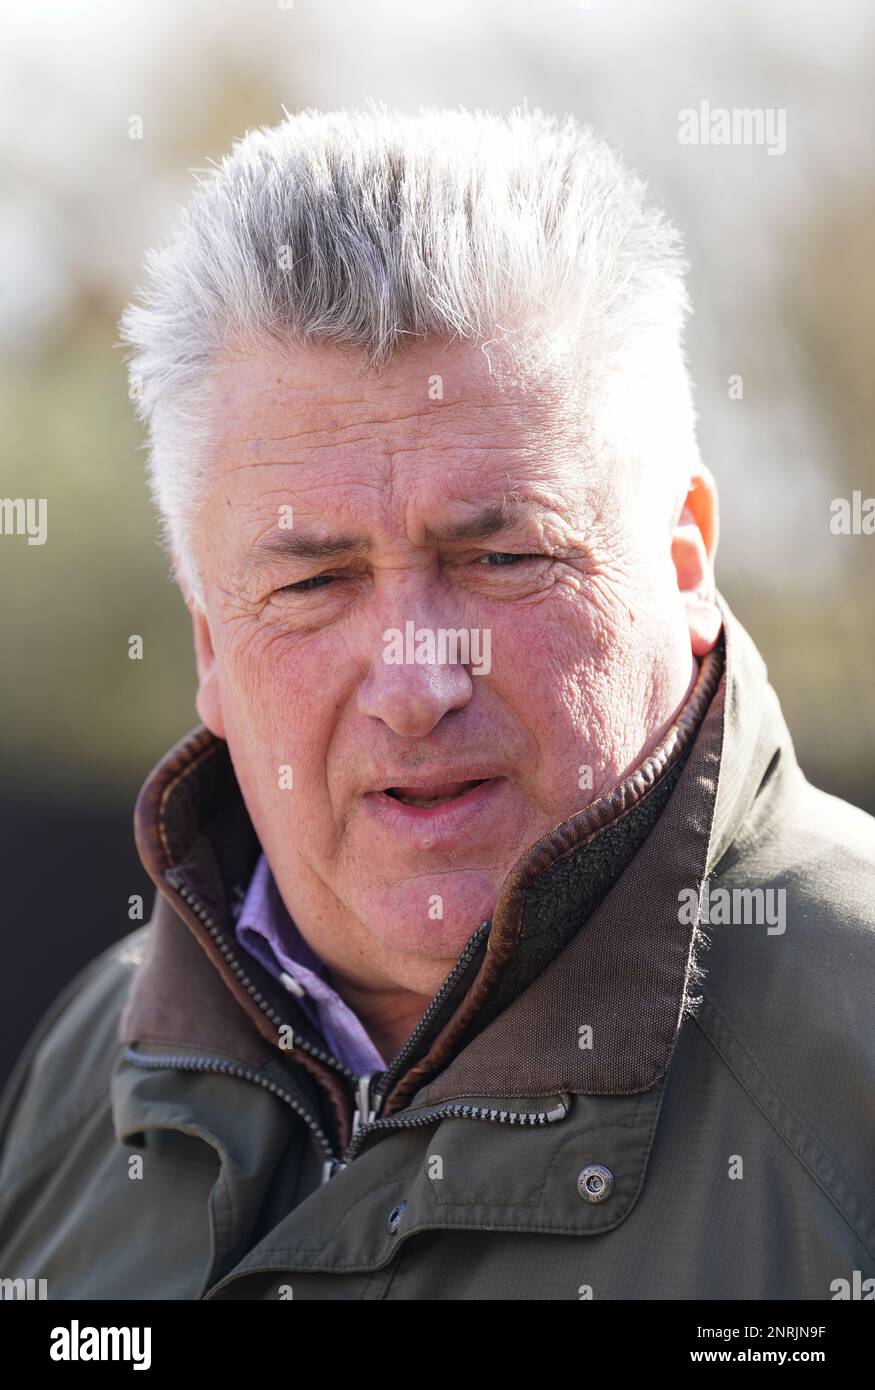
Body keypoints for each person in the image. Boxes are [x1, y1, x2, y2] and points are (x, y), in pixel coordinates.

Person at [1, 103, 873, 1301]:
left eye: (500, 558)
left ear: (683, 564)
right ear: (209, 643)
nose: (415, 683)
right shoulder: (97, 1069)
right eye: (313, 581)